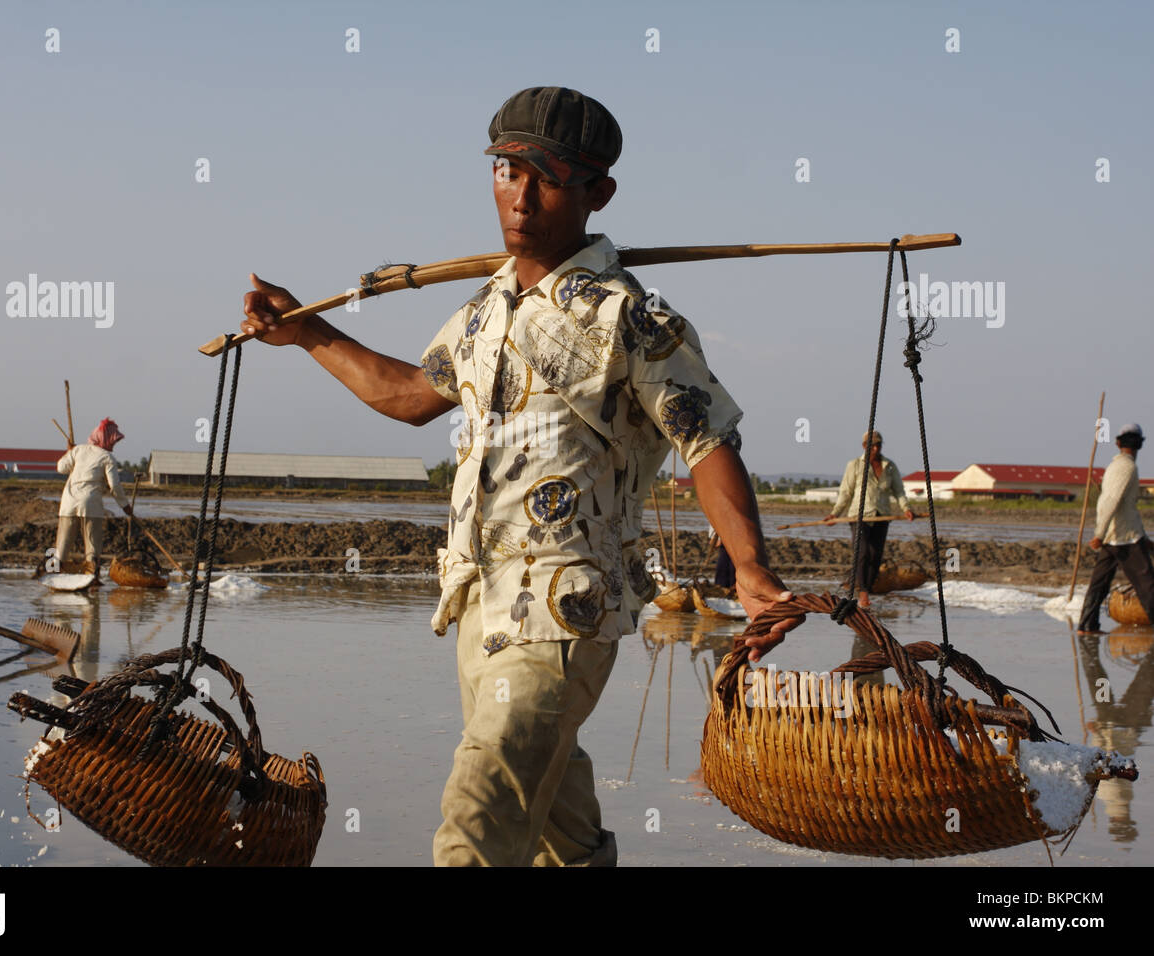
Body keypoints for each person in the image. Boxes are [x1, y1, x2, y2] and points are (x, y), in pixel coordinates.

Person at [240, 86, 802, 866]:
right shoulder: (483, 310)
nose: (521, 195)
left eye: (547, 175)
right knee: (551, 823)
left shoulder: (630, 318)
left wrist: (749, 567)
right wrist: (309, 333)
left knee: (478, 813)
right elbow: (409, 396)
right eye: (507, 171)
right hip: (481, 603)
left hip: (563, 611)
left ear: (596, 191)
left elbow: (705, 441)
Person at [1077, 423, 1154, 635]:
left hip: (1115, 535)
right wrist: (1099, 534)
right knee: (1147, 585)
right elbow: (1111, 501)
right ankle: (1087, 625)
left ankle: (1087, 625)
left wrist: (1143, 537)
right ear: (1139, 445)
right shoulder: (1126, 467)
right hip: (1124, 538)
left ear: (1118, 443)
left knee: (1099, 584)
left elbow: (1118, 506)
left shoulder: (1116, 466)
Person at [828, 430, 914, 607]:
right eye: (872, 445)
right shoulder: (854, 465)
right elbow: (846, 492)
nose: (875, 448)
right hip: (860, 516)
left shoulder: (889, 466)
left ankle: (867, 587)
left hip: (882, 515)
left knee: (876, 555)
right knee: (863, 552)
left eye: (878, 445)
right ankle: (864, 592)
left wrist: (906, 508)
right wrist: (835, 513)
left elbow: (898, 491)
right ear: (864, 446)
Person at [52, 417, 132, 581]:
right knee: (92, 546)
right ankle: (91, 578)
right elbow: (114, 486)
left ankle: (54, 576)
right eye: (113, 441)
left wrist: (70, 453)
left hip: (69, 502)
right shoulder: (107, 458)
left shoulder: (78, 450)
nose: (114, 445)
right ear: (106, 439)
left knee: (62, 544)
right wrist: (125, 506)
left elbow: (61, 467)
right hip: (91, 504)